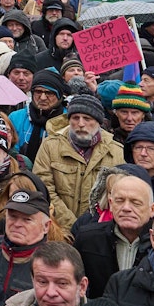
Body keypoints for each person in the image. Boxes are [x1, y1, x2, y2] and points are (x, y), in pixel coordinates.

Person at [34, 93, 123, 232]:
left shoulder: (116, 151)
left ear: (98, 122)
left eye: (87, 118)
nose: (81, 124)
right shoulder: (50, 146)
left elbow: (118, 195)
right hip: (57, 229)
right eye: (75, 118)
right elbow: (43, 187)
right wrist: (71, 224)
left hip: (98, 231)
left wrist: (90, 227)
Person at [72, 171, 154, 299]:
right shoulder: (88, 239)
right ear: (110, 204)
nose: (126, 208)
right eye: (120, 201)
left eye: (136, 202)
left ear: (152, 209)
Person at [0, 188, 54, 300]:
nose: (17, 224)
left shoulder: (54, 263)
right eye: (12, 216)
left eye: (27, 219)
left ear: (46, 226)